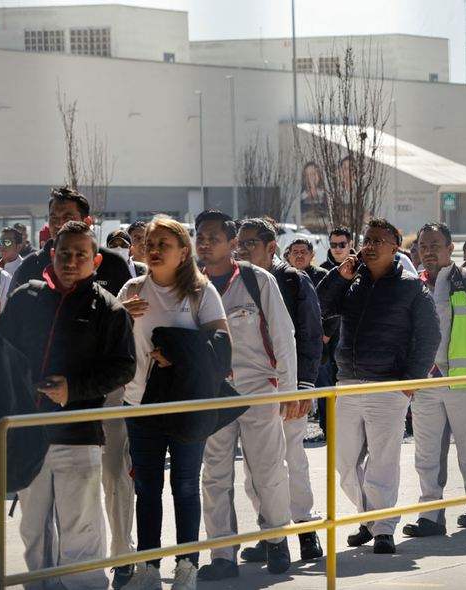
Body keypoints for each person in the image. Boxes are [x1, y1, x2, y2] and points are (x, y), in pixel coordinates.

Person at [0, 221, 136, 590]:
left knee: (81, 530)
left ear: (96, 260)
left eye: (80, 255)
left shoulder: (109, 310)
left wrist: (72, 389)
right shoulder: (26, 297)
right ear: (51, 255)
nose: (71, 261)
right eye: (64, 253)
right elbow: (2, 355)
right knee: (33, 530)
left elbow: (123, 366)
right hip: (27, 434)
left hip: (79, 433)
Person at [117, 216, 230, 590]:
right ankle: (148, 569)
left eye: (163, 243)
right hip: (139, 405)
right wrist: (120, 319)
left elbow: (221, 345)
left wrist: (178, 353)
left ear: (183, 252)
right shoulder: (131, 288)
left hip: (186, 405)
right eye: (149, 243)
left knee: (184, 485)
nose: (153, 249)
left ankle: (187, 567)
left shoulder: (200, 291)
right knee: (146, 488)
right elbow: (113, 347)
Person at [316, 216, 440, 554]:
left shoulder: (411, 286)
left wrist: (411, 380)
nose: (368, 246)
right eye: (366, 240)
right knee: (343, 464)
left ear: (395, 248)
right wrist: (338, 277)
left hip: (389, 385)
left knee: (382, 462)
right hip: (349, 384)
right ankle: (371, 518)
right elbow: (319, 308)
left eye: (377, 241)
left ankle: (384, 528)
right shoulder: (352, 283)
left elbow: (430, 335)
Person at [189, 211, 298, 580]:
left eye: (213, 238)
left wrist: (289, 390)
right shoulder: (189, 285)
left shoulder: (257, 280)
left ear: (232, 244)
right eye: (200, 237)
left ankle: (277, 539)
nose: (204, 244)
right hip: (211, 396)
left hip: (257, 390)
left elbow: (283, 338)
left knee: (267, 470)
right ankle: (222, 554)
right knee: (214, 475)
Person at [233, 217, 326, 563]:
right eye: (238, 243)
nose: (242, 250)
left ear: (271, 246)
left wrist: (302, 387)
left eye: (249, 244)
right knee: (256, 469)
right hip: (252, 391)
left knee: (292, 461)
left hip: (288, 389)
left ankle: (305, 530)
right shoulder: (233, 281)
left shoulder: (291, 279)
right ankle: (271, 532)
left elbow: (309, 335)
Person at [402, 222, 466, 537]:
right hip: (425, 385)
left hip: (464, 383)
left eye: (435, 245)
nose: (428, 251)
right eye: (423, 246)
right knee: (426, 455)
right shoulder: (411, 285)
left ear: (451, 248)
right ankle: (431, 516)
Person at [15, 186, 132, 297]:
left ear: (87, 223)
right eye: (53, 218)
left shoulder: (113, 264)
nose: (59, 224)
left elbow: (133, 310)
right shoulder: (31, 264)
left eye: (67, 218)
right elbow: (15, 313)